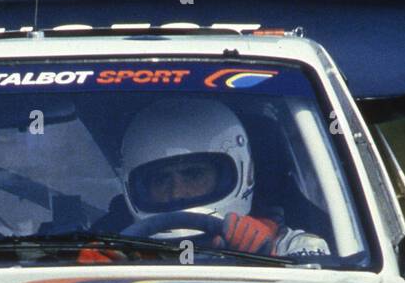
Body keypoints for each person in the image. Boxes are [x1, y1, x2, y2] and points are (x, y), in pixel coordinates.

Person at [102, 97, 331, 259]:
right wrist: (87, 268)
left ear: (244, 171)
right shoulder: (117, 255)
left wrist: (269, 257)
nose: (177, 191)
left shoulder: (293, 247)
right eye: (160, 180)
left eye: (193, 174)